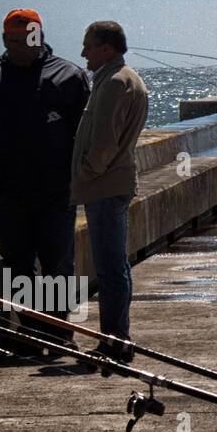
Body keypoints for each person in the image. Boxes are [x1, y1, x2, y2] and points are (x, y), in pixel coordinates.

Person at [0, 9, 89, 354]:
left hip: (57, 190)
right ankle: (29, 333)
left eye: (25, 40)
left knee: (57, 261)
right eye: (10, 41)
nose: (17, 47)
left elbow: (85, 135)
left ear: (39, 37)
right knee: (16, 262)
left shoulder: (68, 76)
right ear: (4, 40)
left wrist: (81, 178)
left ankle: (58, 333)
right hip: (7, 191)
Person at [71, 21, 148, 360]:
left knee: (110, 268)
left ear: (107, 48)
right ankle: (117, 338)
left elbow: (103, 143)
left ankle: (115, 341)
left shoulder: (115, 83)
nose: (83, 52)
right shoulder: (125, 78)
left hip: (104, 186)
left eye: (88, 45)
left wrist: (83, 176)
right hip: (113, 183)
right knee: (115, 266)